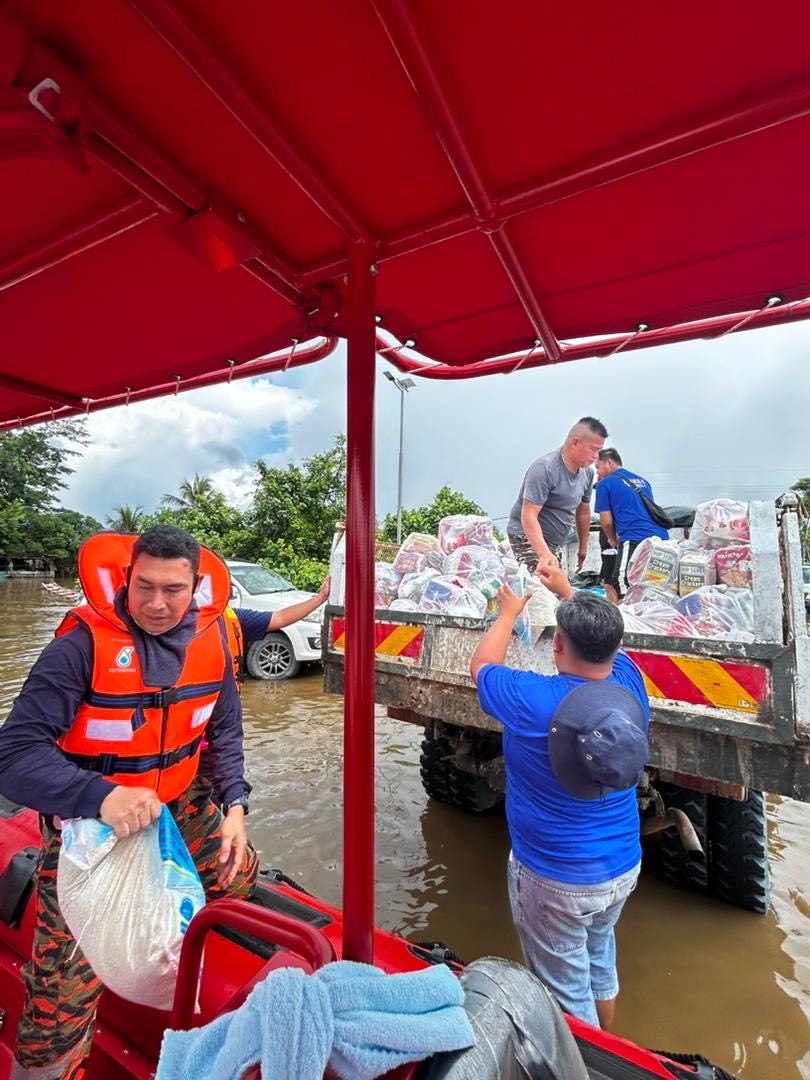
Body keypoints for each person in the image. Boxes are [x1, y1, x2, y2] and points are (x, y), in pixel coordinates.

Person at [0, 526, 259, 1079]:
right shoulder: (79, 647)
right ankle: (49, 1064)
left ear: (196, 588)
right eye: (144, 586)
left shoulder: (214, 639)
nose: (157, 604)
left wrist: (235, 805)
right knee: (62, 988)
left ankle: (192, 963)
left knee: (239, 873)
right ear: (127, 578)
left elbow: (226, 729)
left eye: (174, 589)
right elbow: (13, 754)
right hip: (93, 820)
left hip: (181, 798)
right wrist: (100, 795)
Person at [469, 564, 649, 1030]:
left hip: (556, 879)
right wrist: (571, 593)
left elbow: (482, 668)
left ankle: (585, 1064)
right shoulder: (631, 685)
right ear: (612, 646)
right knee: (599, 965)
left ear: (556, 644)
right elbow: (610, 645)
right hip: (622, 868)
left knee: (565, 997)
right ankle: (612, 1049)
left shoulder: (534, 700)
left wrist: (508, 614)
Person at [507, 417, 607, 573]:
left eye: (599, 451)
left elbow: (583, 512)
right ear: (575, 443)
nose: (596, 456)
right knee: (542, 590)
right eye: (594, 449)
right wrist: (544, 554)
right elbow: (528, 516)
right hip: (526, 536)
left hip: (554, 543)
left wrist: (583, 547)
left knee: (558, 589)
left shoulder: (587, 473)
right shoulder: (545, 469)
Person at [594, 448, 669, 592]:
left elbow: (606, 521)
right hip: (661, 540)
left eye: (598, 467)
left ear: (608, 462)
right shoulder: (643, 481)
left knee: (622, 583)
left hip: (634, 538)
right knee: (654, 586)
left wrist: (612, 539)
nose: (597, 472)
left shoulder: (605, 484)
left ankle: (628, 614)